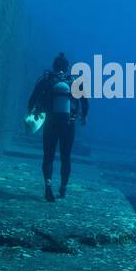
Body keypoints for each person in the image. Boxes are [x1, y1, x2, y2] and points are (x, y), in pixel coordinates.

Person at [27, 52, 88, 202]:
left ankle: (48, 185)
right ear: (67, 68)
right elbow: (85, 103)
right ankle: (63, 187)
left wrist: (31, 113)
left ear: (54, 66)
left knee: (48, 156)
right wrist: (83, 117)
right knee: (65, 157)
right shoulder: (73, 82)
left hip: (51, 121)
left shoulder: (46, 79)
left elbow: (32, 99)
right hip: (68, 123)